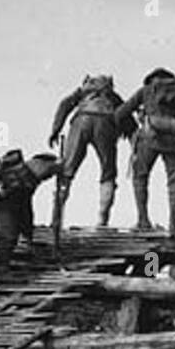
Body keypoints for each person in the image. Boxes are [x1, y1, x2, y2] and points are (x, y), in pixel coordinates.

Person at [114, 68, 175, 236]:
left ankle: (143, 221)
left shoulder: (145, 91)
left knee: (140, 176)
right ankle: (173, 226)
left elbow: (119, 114)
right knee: (174, 181)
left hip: (149, 140)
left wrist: (135, 130)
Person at [48, 74, 127, 242]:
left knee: (67, 170)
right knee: (108, 173)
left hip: (81, 120)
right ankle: (102, 220)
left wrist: (55, 129)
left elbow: (64, 105)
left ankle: (56, 218)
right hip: (106, 123)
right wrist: (134, 137)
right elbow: (125, 114)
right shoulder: (112, 96)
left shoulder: (82, 92)